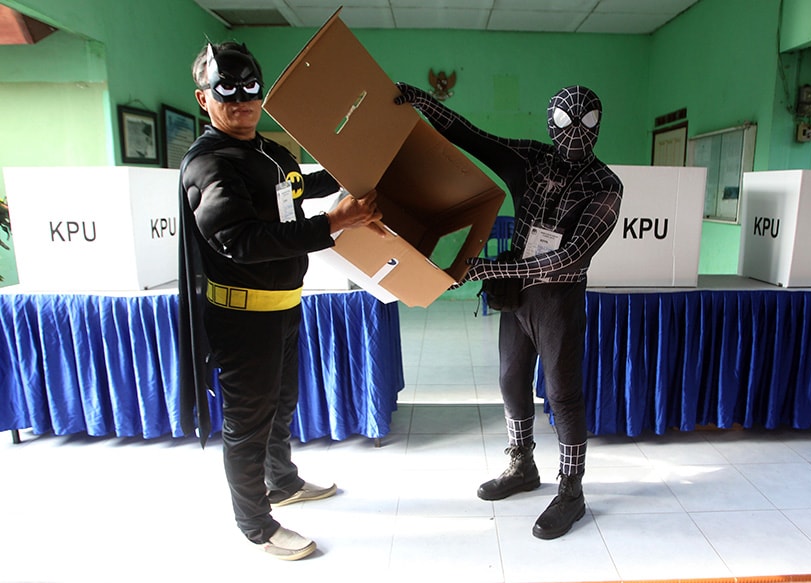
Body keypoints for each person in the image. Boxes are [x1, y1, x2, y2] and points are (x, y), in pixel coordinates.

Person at [177, 41, 383, 560]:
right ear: (204, 99)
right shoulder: (210, 165)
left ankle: (282, 482)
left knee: (280, 406)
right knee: (247, 423)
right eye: (228, 92)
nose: (243, 102)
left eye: (251, 91)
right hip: (242, 318)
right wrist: (335, 222)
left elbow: (295, 186)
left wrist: (348, 172)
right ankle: (256, 524)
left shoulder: (268, 152)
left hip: (283, 307)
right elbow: (243, 241)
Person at [395, 82, 623, 539]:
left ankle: (572, 490)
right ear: (549, 121)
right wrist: (424, 101)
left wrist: (486, 268)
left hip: (558, 299)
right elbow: (472, 136)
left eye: (587, 122)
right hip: (517, 292)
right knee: (510, 377)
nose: (575, 132)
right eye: (565, 121)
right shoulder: (531, 159)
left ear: (598, 126)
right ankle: (522, 465)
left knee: (562, 393)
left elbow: (572, 255)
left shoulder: (606, 186)